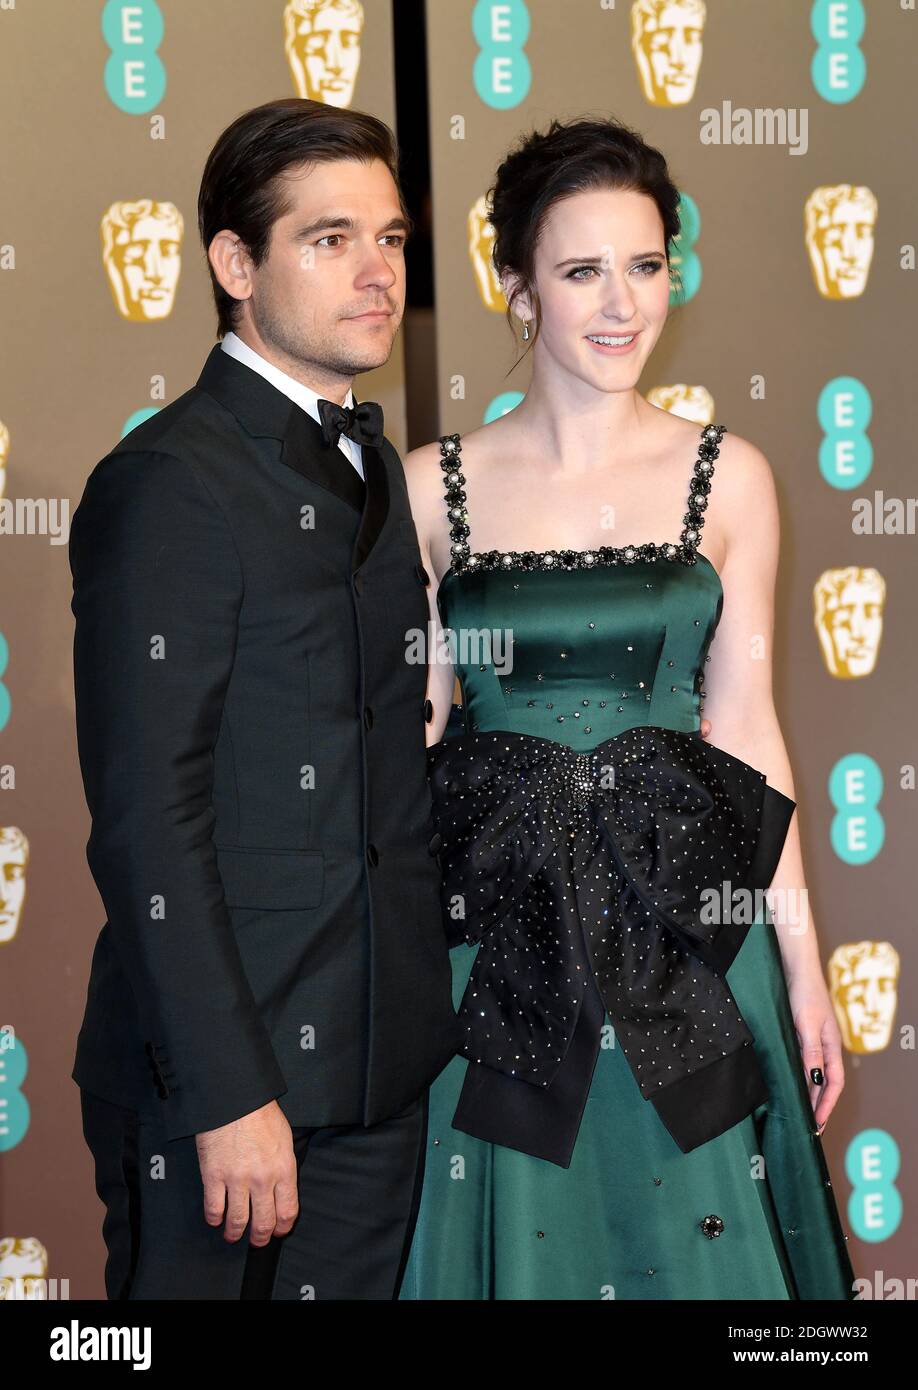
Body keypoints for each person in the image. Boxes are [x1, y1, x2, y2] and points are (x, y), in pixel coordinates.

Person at [399, 116, 857, 1301]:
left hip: (686, 931)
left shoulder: (730, 474)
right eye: (581, 270)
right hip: (493, 935)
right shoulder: (427, 486)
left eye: (646, 265)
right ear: (517, 287)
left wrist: (804, 968)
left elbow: (748, 734)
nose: (622, 304)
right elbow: (422, 736)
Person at [70, 97, 458, 1301]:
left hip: (375, 1081)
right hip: (223, 1098)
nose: (377, 272)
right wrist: (229, 1091)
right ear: (235, 265)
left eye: (391, 240)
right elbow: (148, 819)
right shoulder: (168, 482)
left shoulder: (377, 466)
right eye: (330, 239)